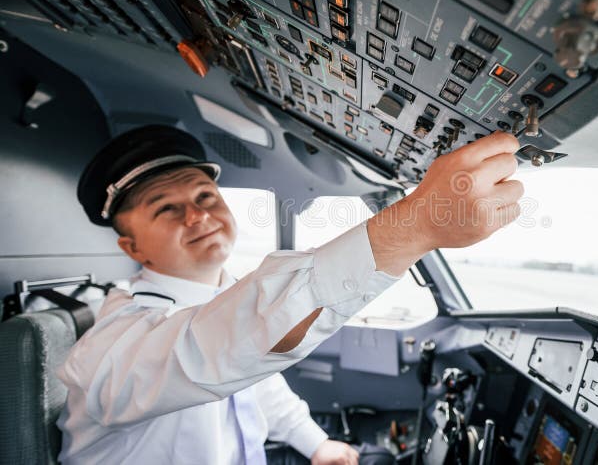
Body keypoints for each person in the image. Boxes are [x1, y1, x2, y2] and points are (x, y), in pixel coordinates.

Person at [58, 124, 523, 464]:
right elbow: (208, 351)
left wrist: (315, 443)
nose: (198, 216)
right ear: (130, 246)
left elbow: (255, 384)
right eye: (166, 209)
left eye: (205, 196)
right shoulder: (115, 337)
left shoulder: (221, 300)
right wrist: (416, 224)